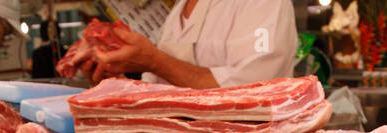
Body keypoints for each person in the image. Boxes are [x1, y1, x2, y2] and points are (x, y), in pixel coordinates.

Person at [89, 0, 297, 89]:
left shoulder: (262, 3)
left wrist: (154, 61)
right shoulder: (178, 12)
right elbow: (156, 91)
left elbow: (253, 92)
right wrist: (114, 82)